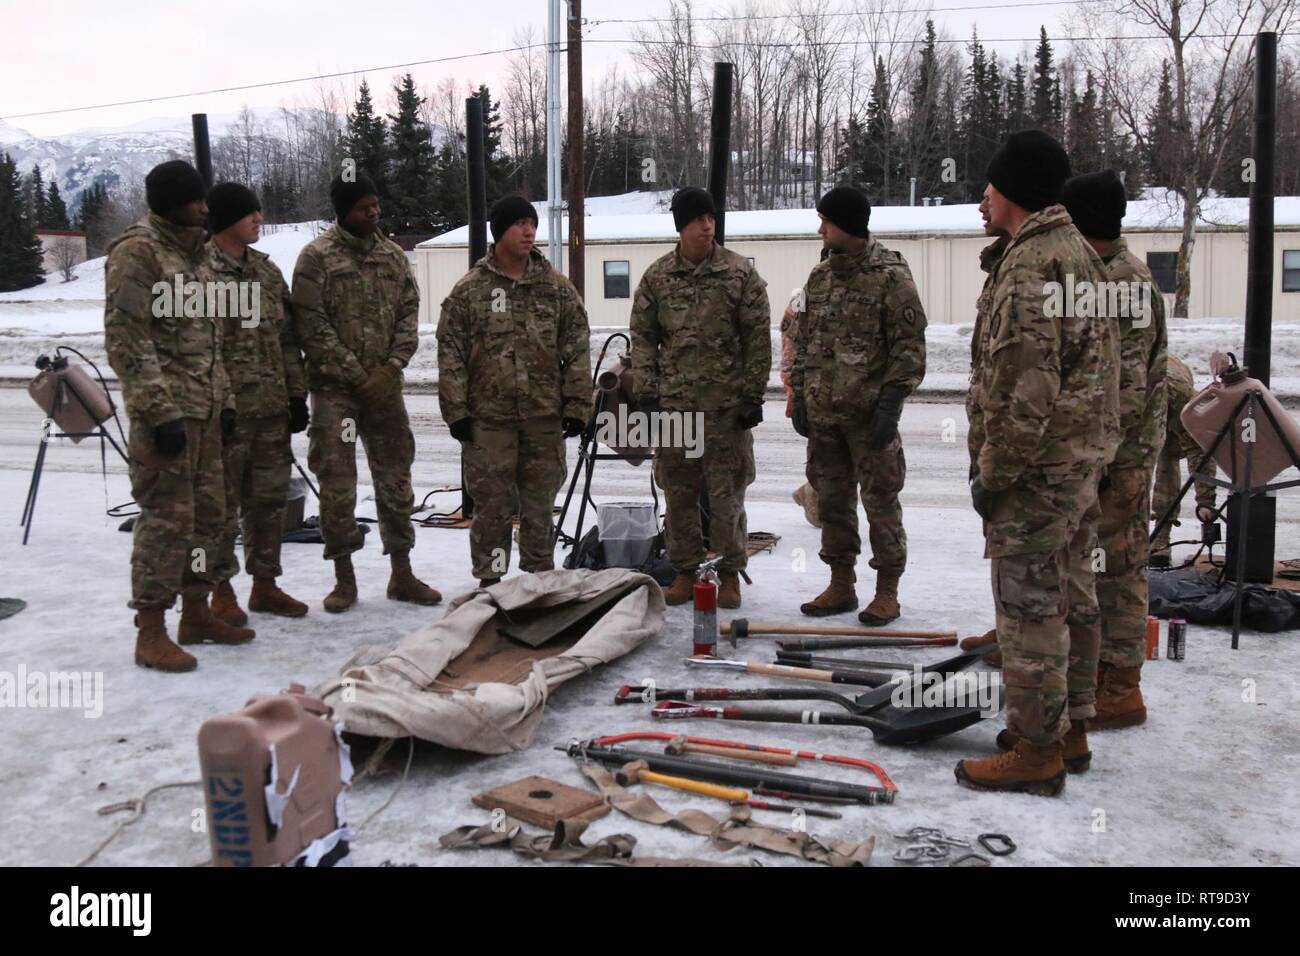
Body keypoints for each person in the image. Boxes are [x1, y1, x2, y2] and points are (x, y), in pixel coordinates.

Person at [956, 130, 1119, 796]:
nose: (981, 200)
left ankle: (1035, 749)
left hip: (1036, 474)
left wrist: (993, 476)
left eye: (988, 187)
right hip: (1078, 466)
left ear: (1012, 190)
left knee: (1028, 611)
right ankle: (1071, 728)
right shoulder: (1075, 250)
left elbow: (1024, 390)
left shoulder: (1030, 266)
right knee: (1072, 598)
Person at [104, 160, 252, 672]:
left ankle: (195, 613)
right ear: (171, 204)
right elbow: (127, 340)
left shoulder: (200, 257)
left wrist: (227, 401)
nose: (205, 209)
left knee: (210, 520)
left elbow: (215, 342)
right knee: (166, 523)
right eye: (196, 201)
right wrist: (157, 410)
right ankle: (150, 629)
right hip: (166, 417)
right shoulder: (136, 253)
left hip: (207, 412)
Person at [291, 172, 441, 612]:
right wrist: (357, 374)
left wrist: (391, 366)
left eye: (376, 205)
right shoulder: (315, 258)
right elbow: (310, 326)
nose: (373, 213)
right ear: (343, 211)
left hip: (385, 389)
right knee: (338, 482)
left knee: (396, 479)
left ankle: (402, 572)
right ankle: (344, 577)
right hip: (336, 391)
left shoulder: (393, 257)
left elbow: (408, 316)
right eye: (363, 207)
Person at [789, 186, 927, 624]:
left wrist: (891, 403)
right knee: (832, 502)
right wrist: (800, 393)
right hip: (825, 417)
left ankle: (887, 590)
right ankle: (841, 584)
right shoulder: (820, 277)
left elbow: (909, 347)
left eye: (826, 220)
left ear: (846, 224)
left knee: (881, 503)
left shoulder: (890, 275)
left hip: (870, 418)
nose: (820, 228)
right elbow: (804, 339)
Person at [1059, 170, 1167, 733]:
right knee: (1088, 563)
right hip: (1102, 452)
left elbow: (1121, 389)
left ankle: (1121, 686)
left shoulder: (1122, 283)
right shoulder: (1100, 274)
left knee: (1117, 567)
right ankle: (1084, 663)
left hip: (1118, 457)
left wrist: (1098, 459)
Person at [437, 196, 592, 585]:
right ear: (498, 231)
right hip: (489, 420)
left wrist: (576, 405)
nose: (528, 232)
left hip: (543, 417)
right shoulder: (470, 291)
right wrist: (456, 411)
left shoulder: (555, 288)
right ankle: (491, 583)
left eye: (532, 223)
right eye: (519, 224)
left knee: (540, 506)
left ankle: (538, 578)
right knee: (492, 506)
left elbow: (576, 347)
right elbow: (451, 353)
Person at [630, 187, 771, 608]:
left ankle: (728, 574)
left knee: (727, 495)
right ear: (681, 226)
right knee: (679, 494)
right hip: (676, 409)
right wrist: (647, 393)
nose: (707, 226)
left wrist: (752, 394)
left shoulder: (738, 273)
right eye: (698, 219)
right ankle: (686, 571)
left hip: (726, 409)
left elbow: (757, 338)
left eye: (711, 217)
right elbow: (643, 337)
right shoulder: (657, 278)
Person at [205, 182, 311, 622]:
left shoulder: (267, 273)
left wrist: (295, 394)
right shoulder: (199, 273)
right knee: (220, 507)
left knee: (268, 503)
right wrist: (219, 405)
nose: (258, 219)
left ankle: (265, 585)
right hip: (224, 414)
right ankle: (220, 591)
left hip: (269, 410)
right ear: (227, 218)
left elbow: (287, 339)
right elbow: (198, 349)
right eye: (249, 213)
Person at [1150, 354, 1217, 564]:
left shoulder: (1180, 400)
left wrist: (1205, 502)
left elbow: (1199, 452)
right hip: (1142, 407)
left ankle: (1161, 539)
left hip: (1172, 402)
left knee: (1166, 463)